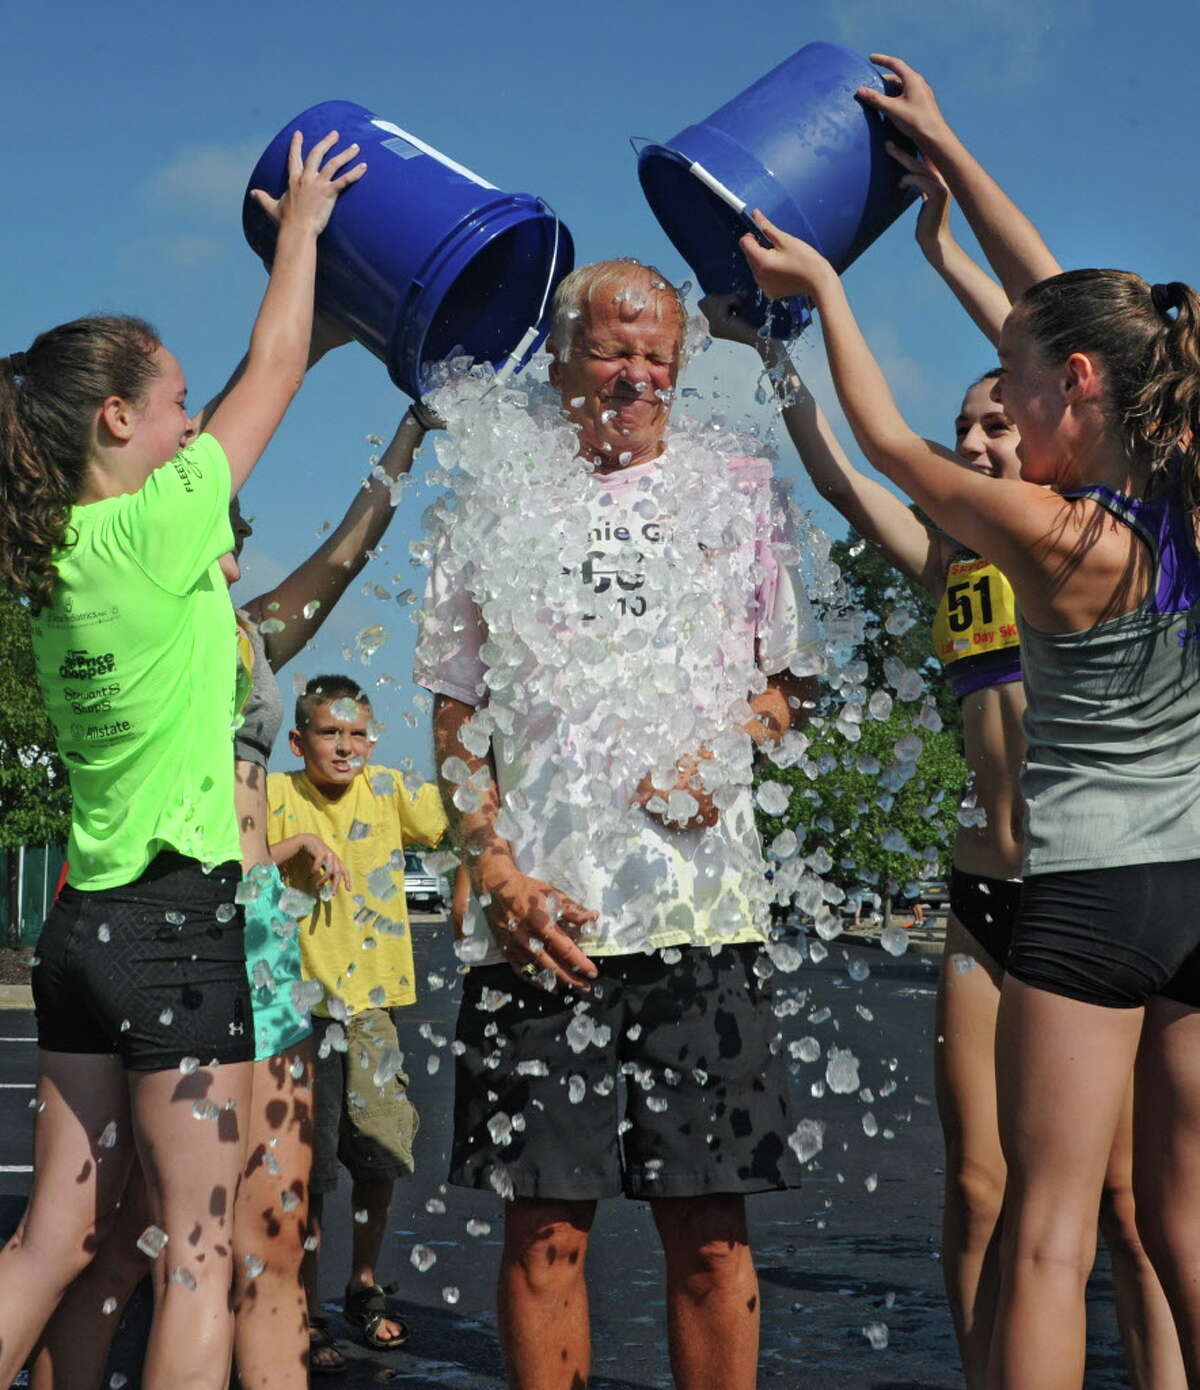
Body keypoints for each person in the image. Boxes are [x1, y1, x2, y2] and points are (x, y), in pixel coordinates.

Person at [740, 51, 1200, 1390]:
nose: (1005, 395)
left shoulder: (1054, 537)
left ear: (1076, 386)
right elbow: (1079, 315)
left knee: (1049, 1233)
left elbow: (888, 449)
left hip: (1091, 895)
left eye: (1015, 376)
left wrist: (829, 292)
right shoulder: (1183, 485)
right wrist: (950, 149)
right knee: (1183, 1220)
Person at [414, 258, 822, 1390]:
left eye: (657, 356)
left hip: (702, 919)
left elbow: (791, 683)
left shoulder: (738, 490)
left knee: (711, 1236)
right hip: (541, 923)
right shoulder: (494, 498)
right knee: (544, 1233)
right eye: (609, 351)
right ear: (560, 361)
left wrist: (729, 746)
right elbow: (454, 706)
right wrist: (492, 863)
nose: (635, 376)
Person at [0, 129, 364, 1390]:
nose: (191, 424)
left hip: (79, 929)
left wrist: (317, 325)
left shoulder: (56, 557)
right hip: (173, 922)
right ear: (117, 417)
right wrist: (303, 229)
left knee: (52, 1238)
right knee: (198, 1257)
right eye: (172, 405)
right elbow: (274, 371)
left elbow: (272, 370)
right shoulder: (159, 529)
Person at [28, 405, 435, 1389]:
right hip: (186, 921)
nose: (241, 556)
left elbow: (341, 558)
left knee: (268, 1240)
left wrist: (410, 436)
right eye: (226, 531)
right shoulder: (153, 612)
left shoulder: (238, 635)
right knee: (130, 1244)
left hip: (257, 939)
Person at [268, 675, 448, 1368]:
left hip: (372, 1009)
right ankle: (306, 1309)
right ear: (298, 741)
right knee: (308, 1171)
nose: (345, 747)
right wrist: (296, 845)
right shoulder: (278, 795)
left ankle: (363, 1288)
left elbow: (454, 818)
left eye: (356, 734)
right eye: (329, 733)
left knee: (378, 1156)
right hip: (300, 1011)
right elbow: (236, 861)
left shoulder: (389, 790)